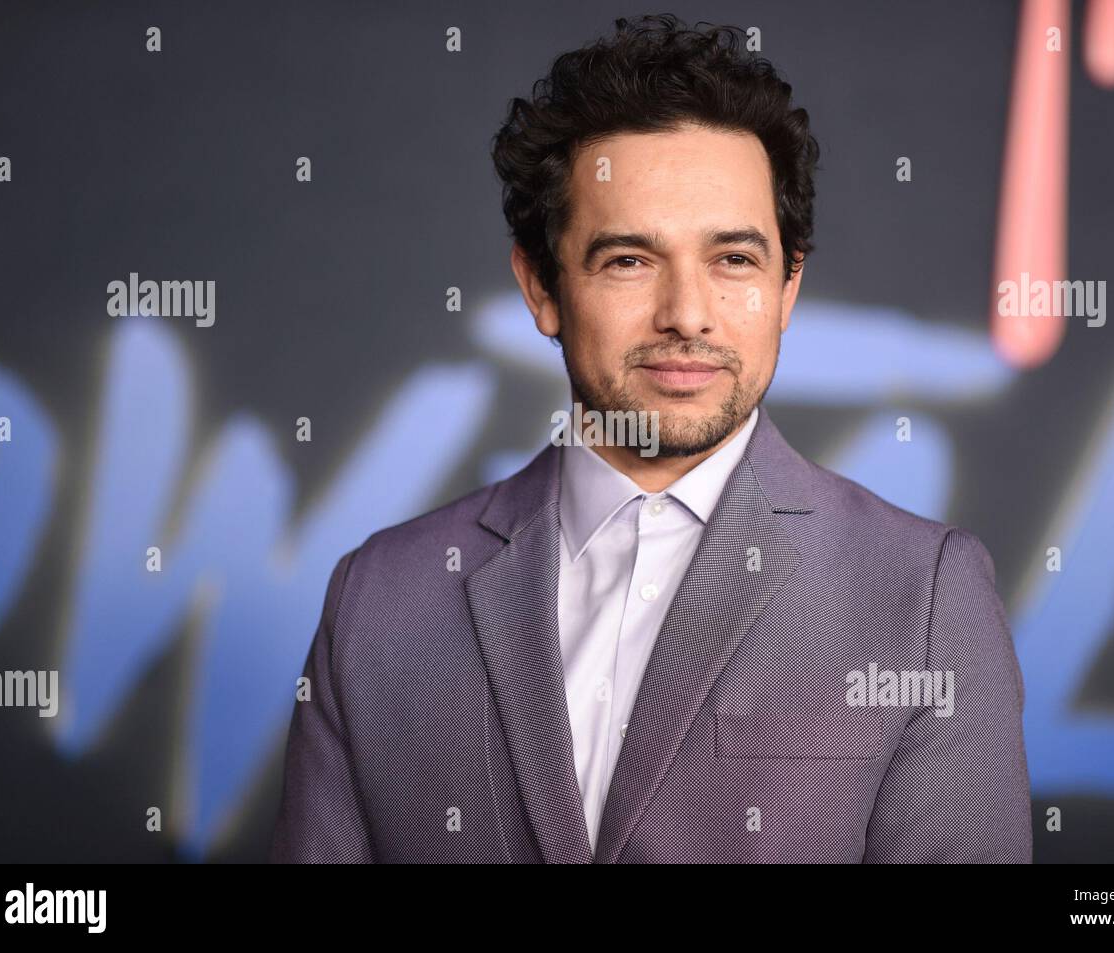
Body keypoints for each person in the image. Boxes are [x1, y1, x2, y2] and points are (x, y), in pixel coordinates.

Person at [270, 13, 1031, 863]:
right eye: (628, 259)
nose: (688, 315)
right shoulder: (380, 599)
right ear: (541, 285)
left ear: (788, 287)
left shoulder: (922, 598)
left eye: (735, 260)